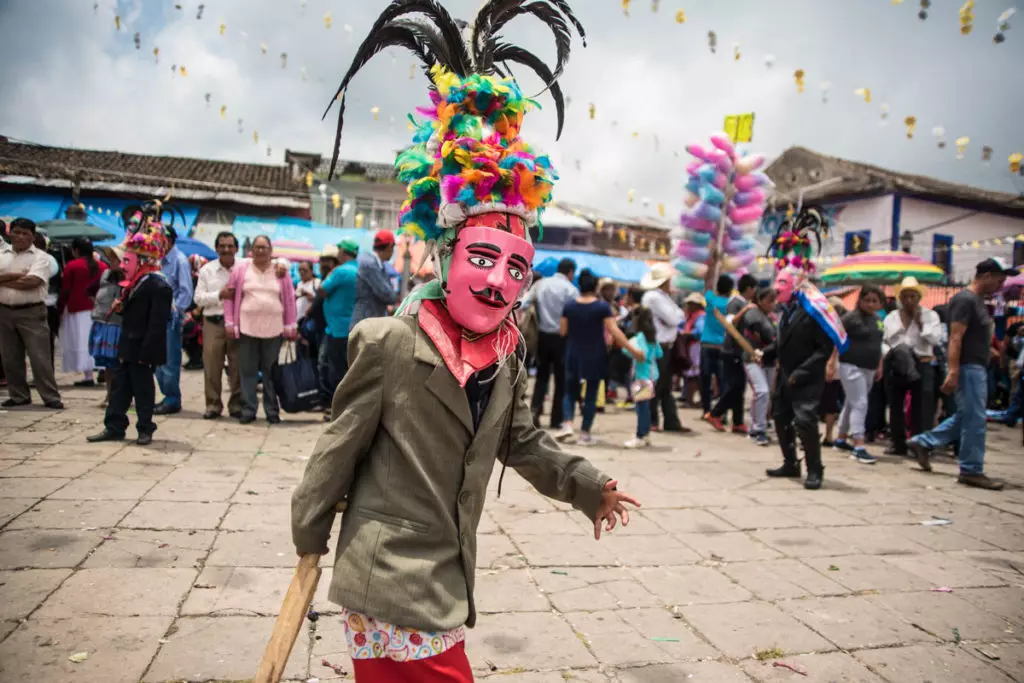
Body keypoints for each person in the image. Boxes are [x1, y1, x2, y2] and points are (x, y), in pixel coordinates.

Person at [291, 9, 639, 679]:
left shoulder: (505, 356)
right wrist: (309, 537)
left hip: (445, 569)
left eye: (517, 267)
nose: (499, 280)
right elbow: (333, 452)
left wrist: (589, 486)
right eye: (484, 257)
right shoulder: (391, 344)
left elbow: (523, 441)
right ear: (447, 256)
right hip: (390, 575)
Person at [908, 258, 1018, 490]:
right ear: (987, 276)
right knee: (975, 419)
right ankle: (971, 469)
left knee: (968, 415)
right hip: (968, 367)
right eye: (1000, 279)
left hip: (976, 364)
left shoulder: (976, 302)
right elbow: (955, 336)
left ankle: (923, 442)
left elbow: (968, 336)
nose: (1001, 285)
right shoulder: (965, 300)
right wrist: (954, 370)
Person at [764, 207, 848, 490]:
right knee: (780, 418)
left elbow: (822, 349)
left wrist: (801, 372)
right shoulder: (786, 311)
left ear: (798, 283)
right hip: (786, 375)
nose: (777, 288)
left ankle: (815, 468)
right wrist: (769, 352)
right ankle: (790, 462)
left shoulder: (813, 311)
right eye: (777, 282)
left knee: (805, 421)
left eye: (783, 283)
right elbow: (782, 341)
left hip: (806, 376)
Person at [87, 218, 173, 446]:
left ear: (143, 261)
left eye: (127, 260)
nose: (123, 265)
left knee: (143, 390)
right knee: (119, 389)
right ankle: (114, 426)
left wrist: (147, 354)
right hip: (127, 345)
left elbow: (157, 324)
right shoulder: (136, 282)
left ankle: (145, 428)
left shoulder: (158, 286)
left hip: (142, 349)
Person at [557, 270, 642, 445]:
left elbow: (563, 331)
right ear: (596, 287)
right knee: (591, 394)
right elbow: (614, 331)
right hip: (595, 354)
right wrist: (632, 349)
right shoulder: (602, 307)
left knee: (570, 392)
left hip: (573, 352)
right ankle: (585, 434)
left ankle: (567, 425)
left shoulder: (569, 306)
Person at [224, 235, 298, 425]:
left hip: (274, 330)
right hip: (247, 328)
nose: (260, 251)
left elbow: (289, 299)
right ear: (252, 250)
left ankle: (272, 410)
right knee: (247, 371)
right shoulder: (241, 269)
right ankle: (248, 410)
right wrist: (230, 322)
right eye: (257, 247)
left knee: (270, 373)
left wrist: (291, 325)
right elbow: (230, 296)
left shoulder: (281, 271)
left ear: (271, 251)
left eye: (264, 247)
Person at [0, 218, 63, 409]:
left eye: (25, 233)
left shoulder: (40, 257)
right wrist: (19, 276)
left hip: (32, 312)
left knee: (39, 357)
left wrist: (3, 280)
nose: (20, 237)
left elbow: (33, 282)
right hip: (4, 311)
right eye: (17, 232)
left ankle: (51, 397)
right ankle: (19, 395)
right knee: (10, 357)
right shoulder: (2, 254)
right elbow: (25, 279)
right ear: (10, 233)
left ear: (32, 236)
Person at [882, 276, 943, 455]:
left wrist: (920, 323)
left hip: (922, 364)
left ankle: (920, 443)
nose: (909, 300)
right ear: (900, 298)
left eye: (913, 296)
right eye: (905, 296)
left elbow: (935, 339)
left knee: (922, 405)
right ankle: (897, 443)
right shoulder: (892, 317)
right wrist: (890, 354)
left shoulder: (931, 316)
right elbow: (884, 340)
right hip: (896, 364)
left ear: (919, 297)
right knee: (895, 405)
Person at [192, 231, 243, 420]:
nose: (226, 249)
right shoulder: (207, 270)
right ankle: (213, 405)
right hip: (213, 323)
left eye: (230, 246)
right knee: (212, 366)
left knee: (238, 366)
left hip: (238, 324)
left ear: (236, 248)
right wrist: (219, 295)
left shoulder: (244, 268)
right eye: (222, 246)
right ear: (216, 248)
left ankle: (237, 405)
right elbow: (198, 298)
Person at [831, 285, 885, 464]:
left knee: (851, 402)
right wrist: (831, 362)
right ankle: (859, 444)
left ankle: (840, 438)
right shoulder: (850, 318)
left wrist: (879, 365)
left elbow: (878, 343)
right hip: (851, 365)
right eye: (867, 300)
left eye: (874, 301)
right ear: (860, 300)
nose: (870, 304)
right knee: (860, 403)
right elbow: (837, 339)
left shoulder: (878, 320)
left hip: (869, 367)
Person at [523, 257, 578, 428]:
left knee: (542, 377)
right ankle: (556, 418)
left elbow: (524, 304)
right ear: (570, 272)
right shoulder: (571, 290)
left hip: (542, 337)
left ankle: (535, 412)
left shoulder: (541, 284)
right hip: (562, 339)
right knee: (561, 379)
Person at [706, 273, 758, 434]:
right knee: (735, 386)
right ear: (749, 289)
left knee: (739, 387)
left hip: (739, 351)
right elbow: (729, 322)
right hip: (731, 350)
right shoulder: (736, 303)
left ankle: (738, 421)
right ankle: (715, 413)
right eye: (754, 289)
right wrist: (746, 310)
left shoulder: (744, 303)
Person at [641, 263, 689, 433]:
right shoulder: (654, 297)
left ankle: (671, 421)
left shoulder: (662, 297)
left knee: (666, 385)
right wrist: (676, 316)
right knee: (657, 384)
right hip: (658, 344)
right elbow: (674, 318)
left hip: (667, 344)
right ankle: (653, 420)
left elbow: (678, 316)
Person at [154, 226, 194, 415]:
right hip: (156, 316)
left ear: (169, 240)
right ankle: (165, 394)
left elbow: (186, 292)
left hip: (170, 318)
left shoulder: (180, 261)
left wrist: (174, 314)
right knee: (157, 359)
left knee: (170, 359)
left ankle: (172, 398)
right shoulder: (157, 261)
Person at [59, 236, 107, 386]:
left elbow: (66, 289)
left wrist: (60, 307)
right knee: (99, 341)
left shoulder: (72, 266)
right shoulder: (103, 266)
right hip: (99, 308)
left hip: (77, 309)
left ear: (76, 250)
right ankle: (103, 369)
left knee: (81, 342)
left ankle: (88, 377)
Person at [737, 287, 778, 446]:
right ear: (760, 300)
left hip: (769, 359)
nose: (772, 304)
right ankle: (757, 428)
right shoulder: (753, 314)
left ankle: (760, 424)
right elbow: (763, 336)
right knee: (762, 391)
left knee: (767, 395)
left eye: (774, 301)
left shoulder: (771, 316)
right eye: (769, 301)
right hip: (753, 358)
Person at [321, 238, 360, 401]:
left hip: (337, 329)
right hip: (353, 326)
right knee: (350, 369)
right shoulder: (359, 270)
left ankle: (337, 405)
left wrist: (329, 273)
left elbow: (322, 290)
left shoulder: (341, 271)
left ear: (343, 252)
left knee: (336, 371)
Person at [89, 246, 126, 406]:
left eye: (116, 259)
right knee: (108, 366)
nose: (112, 262)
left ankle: (120, 396)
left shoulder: (128, 277)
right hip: (102, 321)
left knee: (118, 364)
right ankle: (109, 394)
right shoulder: (106, 274)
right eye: (111, 258)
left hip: (117, 324)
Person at [624, 306, 662, 449]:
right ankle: (645, 435)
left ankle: (640, 435)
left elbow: (639, 354)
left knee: (642, 408)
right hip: (653, 375)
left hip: (641, 376)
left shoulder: (638, 338)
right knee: (646, 406)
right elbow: (659, 354)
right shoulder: (652, 337)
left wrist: (629, 349)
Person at [699, 274, 734, 420]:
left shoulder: (710, 299)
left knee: (705, 380)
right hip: (723, 346)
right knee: (723, 380)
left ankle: (706, 410)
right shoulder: (730, 304)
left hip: (707, 344)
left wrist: (712, 266)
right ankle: (721, 413)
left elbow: (706, 283)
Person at [349, 229, 396, 332]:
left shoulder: (378, 264)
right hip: (364, 324)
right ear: (389, 246)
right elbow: (387, 294)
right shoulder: (369, 263)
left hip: (369, 323)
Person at [819, 297, 848, 448]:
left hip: (832, 365)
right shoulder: (820, 322)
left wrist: (831, 362)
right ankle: (825, 434)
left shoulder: (837, 325)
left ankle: (828, 434)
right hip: (824, 365)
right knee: (825, 400)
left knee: (830, 401)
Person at [34, 232, 61, 366]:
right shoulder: (50, 259)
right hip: (46, 305)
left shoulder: (47, 260)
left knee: (45, 343)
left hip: (46, 305)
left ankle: (46, 372)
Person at [678, 293, 706, 407]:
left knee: (694, 375)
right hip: (690, 346)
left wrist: (686, 333)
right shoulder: (690, 316)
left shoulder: (700, 316)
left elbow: (700, 330)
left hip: (696, 347)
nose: (688, 306)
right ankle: (695, 399)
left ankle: (694, 400)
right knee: (692, 374)